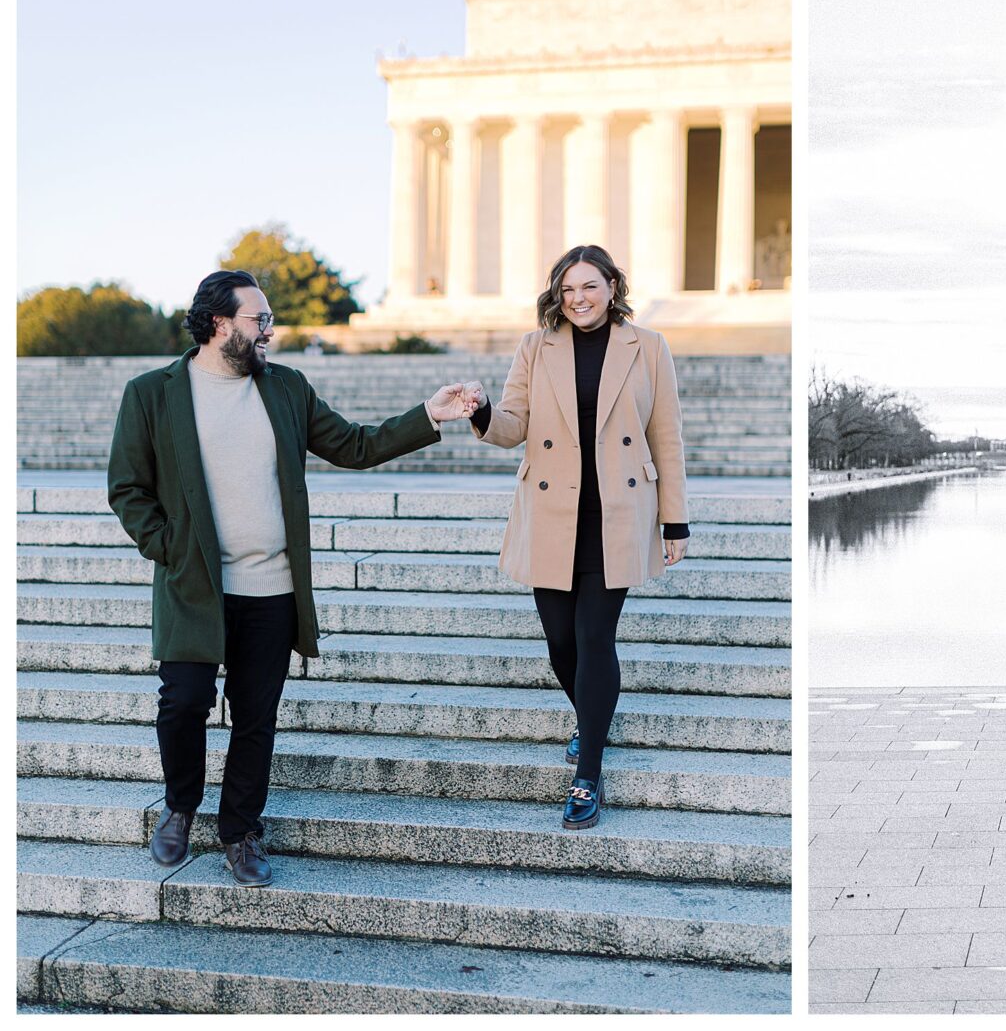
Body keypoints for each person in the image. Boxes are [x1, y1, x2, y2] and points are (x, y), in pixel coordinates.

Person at [107, 269, 478, 886]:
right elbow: (127, 487)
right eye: (260, 320)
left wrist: (428, 415)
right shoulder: (152, 392)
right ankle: (179, 806)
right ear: (220, 323)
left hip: (272, 588)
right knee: (183, 705)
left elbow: (356, 445)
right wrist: (168, 546)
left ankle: (241, 830)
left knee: (256, 715)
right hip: (193, 586)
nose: (270, 332)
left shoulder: (286, 389)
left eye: (270, 321)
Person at [465, 244, 689, 830]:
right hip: (552, 514)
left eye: (589, 286)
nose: (578, 299)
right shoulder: (536, 347)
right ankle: (591, 720)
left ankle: (587, 773)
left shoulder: (649, 348)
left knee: (595, 642)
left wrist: (676, 519)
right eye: (567, 289)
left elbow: (666, 436)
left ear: (613, 287)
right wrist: (484, 410)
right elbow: (513, 426)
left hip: (617, 513)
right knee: (560, 645)